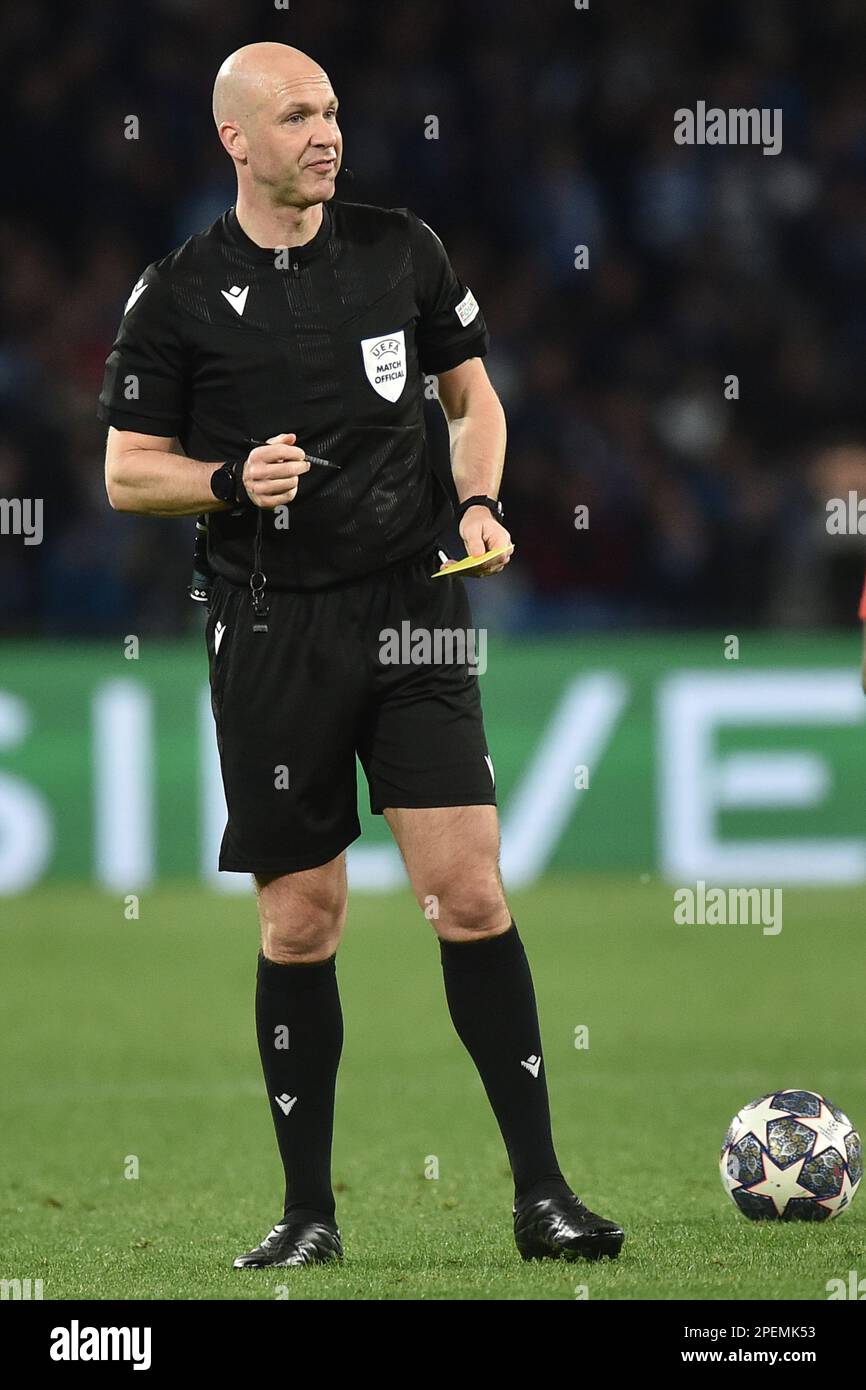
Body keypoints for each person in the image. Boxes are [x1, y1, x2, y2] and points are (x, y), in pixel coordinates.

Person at [98, 41, 624, 1269]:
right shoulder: (174, 293)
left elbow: (472, 402)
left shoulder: (402, 248)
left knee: (471, 891)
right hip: (271, 621)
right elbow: (128, 471)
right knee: (302, 922)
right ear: (236, 139)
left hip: (411, 607)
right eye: (296, 116)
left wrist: (479, 505)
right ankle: (307, 1212)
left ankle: (541, 1195)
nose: (325, 134)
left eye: (332, 110)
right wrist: (226, 479)